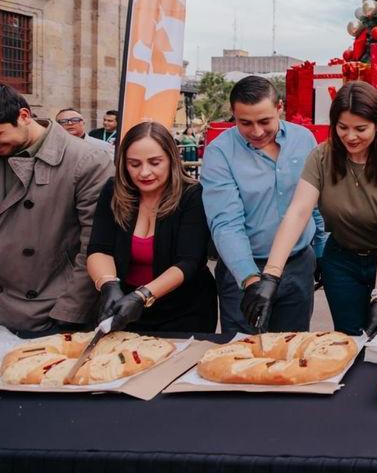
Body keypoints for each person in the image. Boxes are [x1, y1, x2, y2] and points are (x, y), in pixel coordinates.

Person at [262, 82, 377, 337]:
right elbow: (298, 212)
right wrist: (271, 275)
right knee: (347, 339)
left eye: (360, 129)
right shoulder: (321, 158)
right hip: (342, 260)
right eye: (342, 127)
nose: (350, 137)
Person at [201, 76, 327, 333]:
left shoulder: (303, 140)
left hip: (298, 266)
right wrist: (250, 279)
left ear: (279, 107)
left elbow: (312, 205)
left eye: (264, 121)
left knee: (292, 352)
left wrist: (322, 252)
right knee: (243, 353)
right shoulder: (219, 153)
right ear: (233, 115)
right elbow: (226, 223)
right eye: (245, 123)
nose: (256, 131)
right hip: (245, 270)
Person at [0, 85, 113, 333]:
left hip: (51, 310)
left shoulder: (87, 160)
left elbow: (94, 244)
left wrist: (70, 311)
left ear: (24, 116)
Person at [86, 122, 217, 332]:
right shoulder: (112, 191)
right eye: (134, 164)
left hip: (184, 309)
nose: (144, 172)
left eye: (155, 163)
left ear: (171, 160)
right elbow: (99, 248)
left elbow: (189, 261)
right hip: (124, 308)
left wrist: (143, 295)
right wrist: (108, 284)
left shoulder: (192, 195)